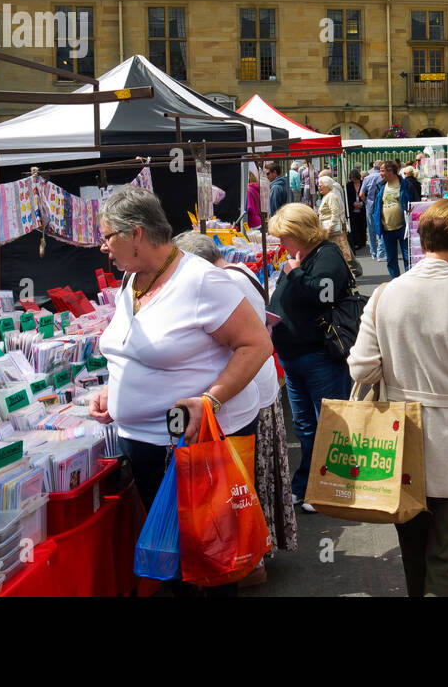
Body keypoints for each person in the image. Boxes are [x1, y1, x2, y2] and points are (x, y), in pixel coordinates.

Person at [91, 188, 271, 595]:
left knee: (211, 558)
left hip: (199, 445)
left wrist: (210, 399)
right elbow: (131, 347)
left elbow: (257, 344)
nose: (103, 247)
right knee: (177, 561)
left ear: (136, 234)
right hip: (147, 445)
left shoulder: (201, 280)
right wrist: (112, 388)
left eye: (107, 237)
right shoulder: (132, 278)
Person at [347, 199, 448, 597]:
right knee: (447, 553)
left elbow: (362, 368)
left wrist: (399, 376)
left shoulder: (384, 294)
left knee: (411, 548)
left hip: (398, 436)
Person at [172, 232, 297, 559]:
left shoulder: (225, 283)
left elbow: (247, 339)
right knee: (257, 477)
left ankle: (251, 554)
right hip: (259, 384)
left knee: (250, 480)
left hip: (251, 387)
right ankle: (254, 551)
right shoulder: (239, 273)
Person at [267, 204, 354, 514]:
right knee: (306, 425)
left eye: (284, 237)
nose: (281, 245)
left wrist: (294, 272)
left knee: (329, 424)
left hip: (319, 355)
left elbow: (324, 294)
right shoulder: (306, 255)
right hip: (297, 356)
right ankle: (308, 485)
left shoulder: (327, 254)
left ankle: (330, 488)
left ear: (300, 233)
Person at [371, 160, 411, 278]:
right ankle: (395, 281)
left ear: (390, 171)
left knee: (407, 257)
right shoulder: (381, 186)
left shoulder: (405, 185)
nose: (380, 173)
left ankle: (410, 281)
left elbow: (412, 202)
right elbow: (377, 205)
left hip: (403, 227)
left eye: (383, 171)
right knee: (391, 259)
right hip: (387, 228)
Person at [317, 174, 361, 277]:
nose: (319, 188)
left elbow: (335, 213)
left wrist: (330, 228)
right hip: (331, 230)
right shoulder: (327, 196)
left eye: (320, 185)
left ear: (327, 185)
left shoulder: (331, 196)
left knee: (341, 253)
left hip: (333, 231)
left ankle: (349, 276)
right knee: (341, 253)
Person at [360, 161, 386, 262]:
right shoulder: (383, 177)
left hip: (370, 205)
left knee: (371, 230)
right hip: (381, 205)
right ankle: (381, 252)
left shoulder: (367, 178)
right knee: (381, 228)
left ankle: (373, 252)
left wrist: (366, 201)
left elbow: (361, 194)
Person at [346, 168, 367, 252]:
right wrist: (353, 203)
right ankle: (356, 242)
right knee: (354, 226)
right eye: (351, 178)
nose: (352, 180)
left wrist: (361, 203)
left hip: (362, 208)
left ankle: (362, 241)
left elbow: (366, 194)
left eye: (354, 178)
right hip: (352, 208)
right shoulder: (349, 185)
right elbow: (347, 196)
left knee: (362, 224)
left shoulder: (363, 183)